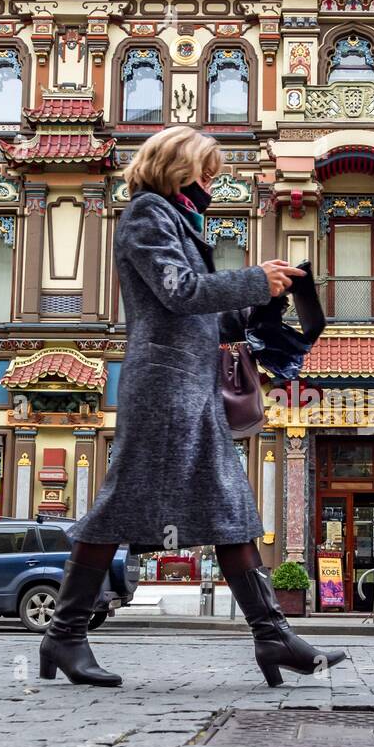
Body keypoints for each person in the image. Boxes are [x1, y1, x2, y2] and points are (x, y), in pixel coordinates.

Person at [38, 125, 346, 688]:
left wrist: (266, 302)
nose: (212, 182)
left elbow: (200, 313)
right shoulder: (147, 215)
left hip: (189, 387)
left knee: (229, 506)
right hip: (162, 389)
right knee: (121, 506)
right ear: (176, 168)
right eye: (206, 172)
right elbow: (179, 290)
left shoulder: (177, 221)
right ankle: (64, 632)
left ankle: (271, 633)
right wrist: (254, 279)